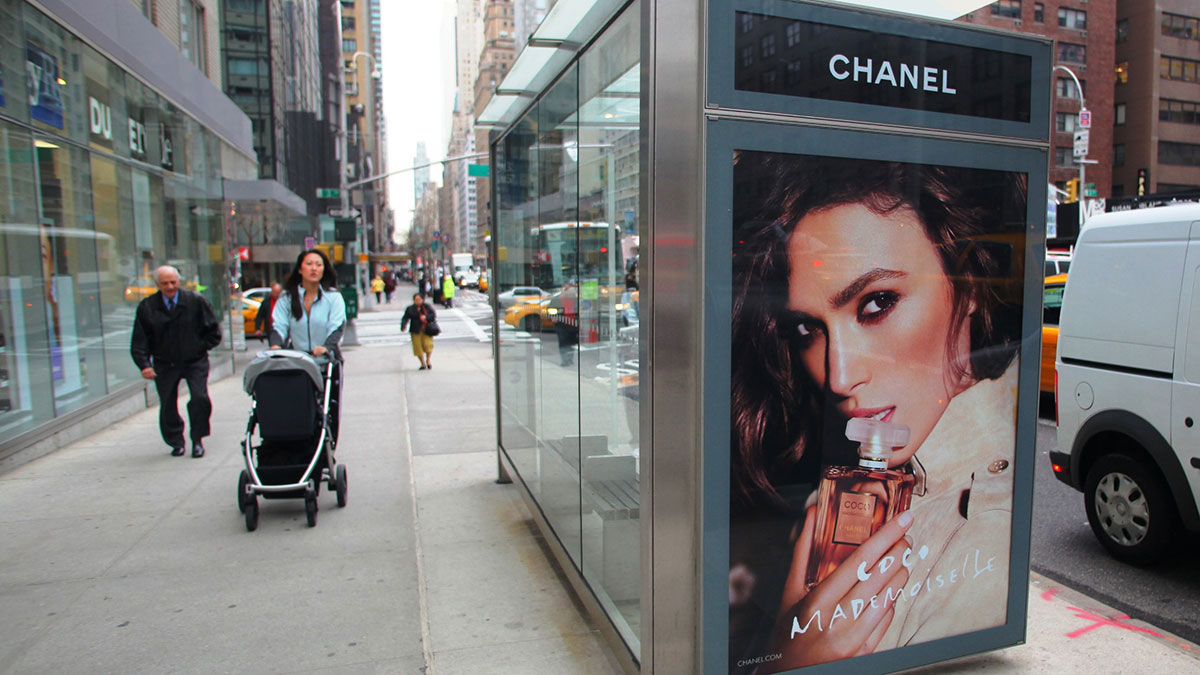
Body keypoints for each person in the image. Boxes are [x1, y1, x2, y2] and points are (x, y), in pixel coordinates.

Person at [728, 153, 1025, 671]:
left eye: (876, 303)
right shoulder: (867, 481)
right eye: (808, 329)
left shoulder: (979, 538)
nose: (839, 376)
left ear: (971, 282)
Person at [130, 265, 222, 458]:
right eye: (165, 283)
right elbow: (140, 339)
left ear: (179, 281)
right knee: (167, 403)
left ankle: (197, 439)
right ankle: (176, 441)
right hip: (165, 363)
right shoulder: (148, 307)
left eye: (173, 282)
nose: (170, 287)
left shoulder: (196, 301)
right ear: (157, 284)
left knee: (200, 398)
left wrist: (200, 346)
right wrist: (144, 365)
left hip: (194, 360)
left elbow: (213, 331)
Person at [270, 249, 347, 442]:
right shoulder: (287, 298)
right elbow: (279, 326)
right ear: (300, 269)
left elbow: (337, 326)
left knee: (329, 409)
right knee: (296, 408)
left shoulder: (333, 297)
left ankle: (326, 449)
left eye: (319, 265)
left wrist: (327, 347)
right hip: (299, 363)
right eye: (309, 264)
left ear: (324, 270)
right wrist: (276, 345)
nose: (314, 268)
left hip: (326, 362)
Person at [401, 293, 437, 370]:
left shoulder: (427, 307)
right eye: (416, 300)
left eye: (419, 300)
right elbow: (405, 318)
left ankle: (428, 360)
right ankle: (422, 363)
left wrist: (426, 317)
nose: (417, 301)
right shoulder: (410, 308)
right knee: (418, 347)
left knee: (428, 346)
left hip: (426, 329)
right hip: (415, 330)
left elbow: (433, 315)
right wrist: (403, 326)